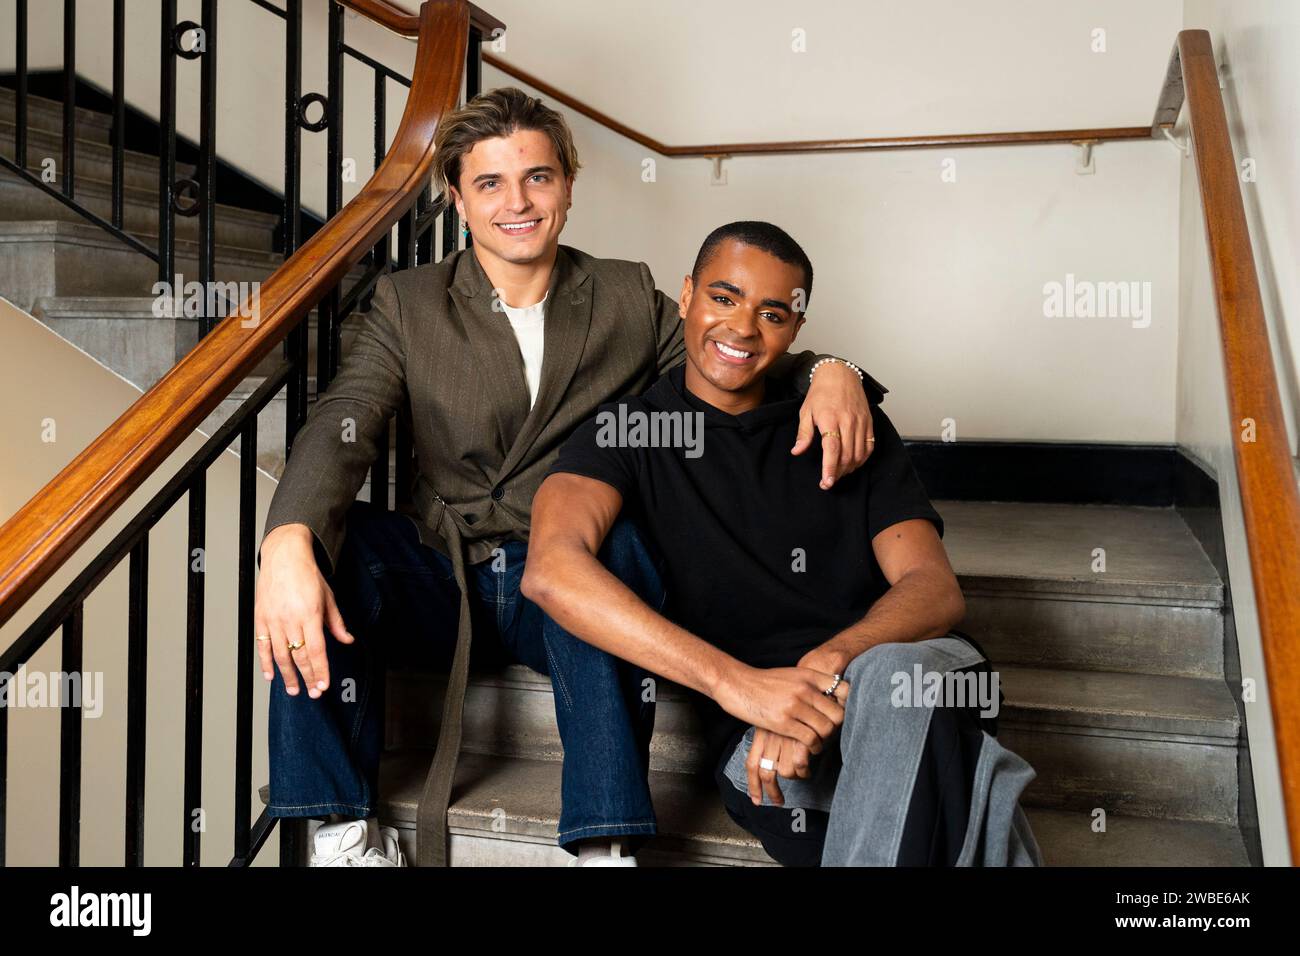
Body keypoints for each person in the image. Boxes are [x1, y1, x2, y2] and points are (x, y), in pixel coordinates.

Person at [254, 88, 884, 867]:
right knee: (322, 556)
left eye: (538, 179)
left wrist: (833, 369)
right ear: (456, 199)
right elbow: (343, 417)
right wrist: (286, 540)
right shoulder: (407, 302)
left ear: (568, 186)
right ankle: (342, 833)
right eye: (489, 184)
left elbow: (728, 363)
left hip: (559, 580)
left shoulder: (623, 294)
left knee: (613, 549)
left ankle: (604, 841)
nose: (517, 203)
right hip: (438, 570)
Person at [524, 220, 1044, 866]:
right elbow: (550, 569)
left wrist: (822, 671)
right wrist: (744, 688)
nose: (743, 329)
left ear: (797, 329)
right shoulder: (626, 434)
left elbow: (934, 590)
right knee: (965, 789)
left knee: (893, 680)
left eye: (772, 313)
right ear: (684, 297)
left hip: (900, 671)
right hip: (765, 738)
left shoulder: (845, 424)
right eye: (723, 297)